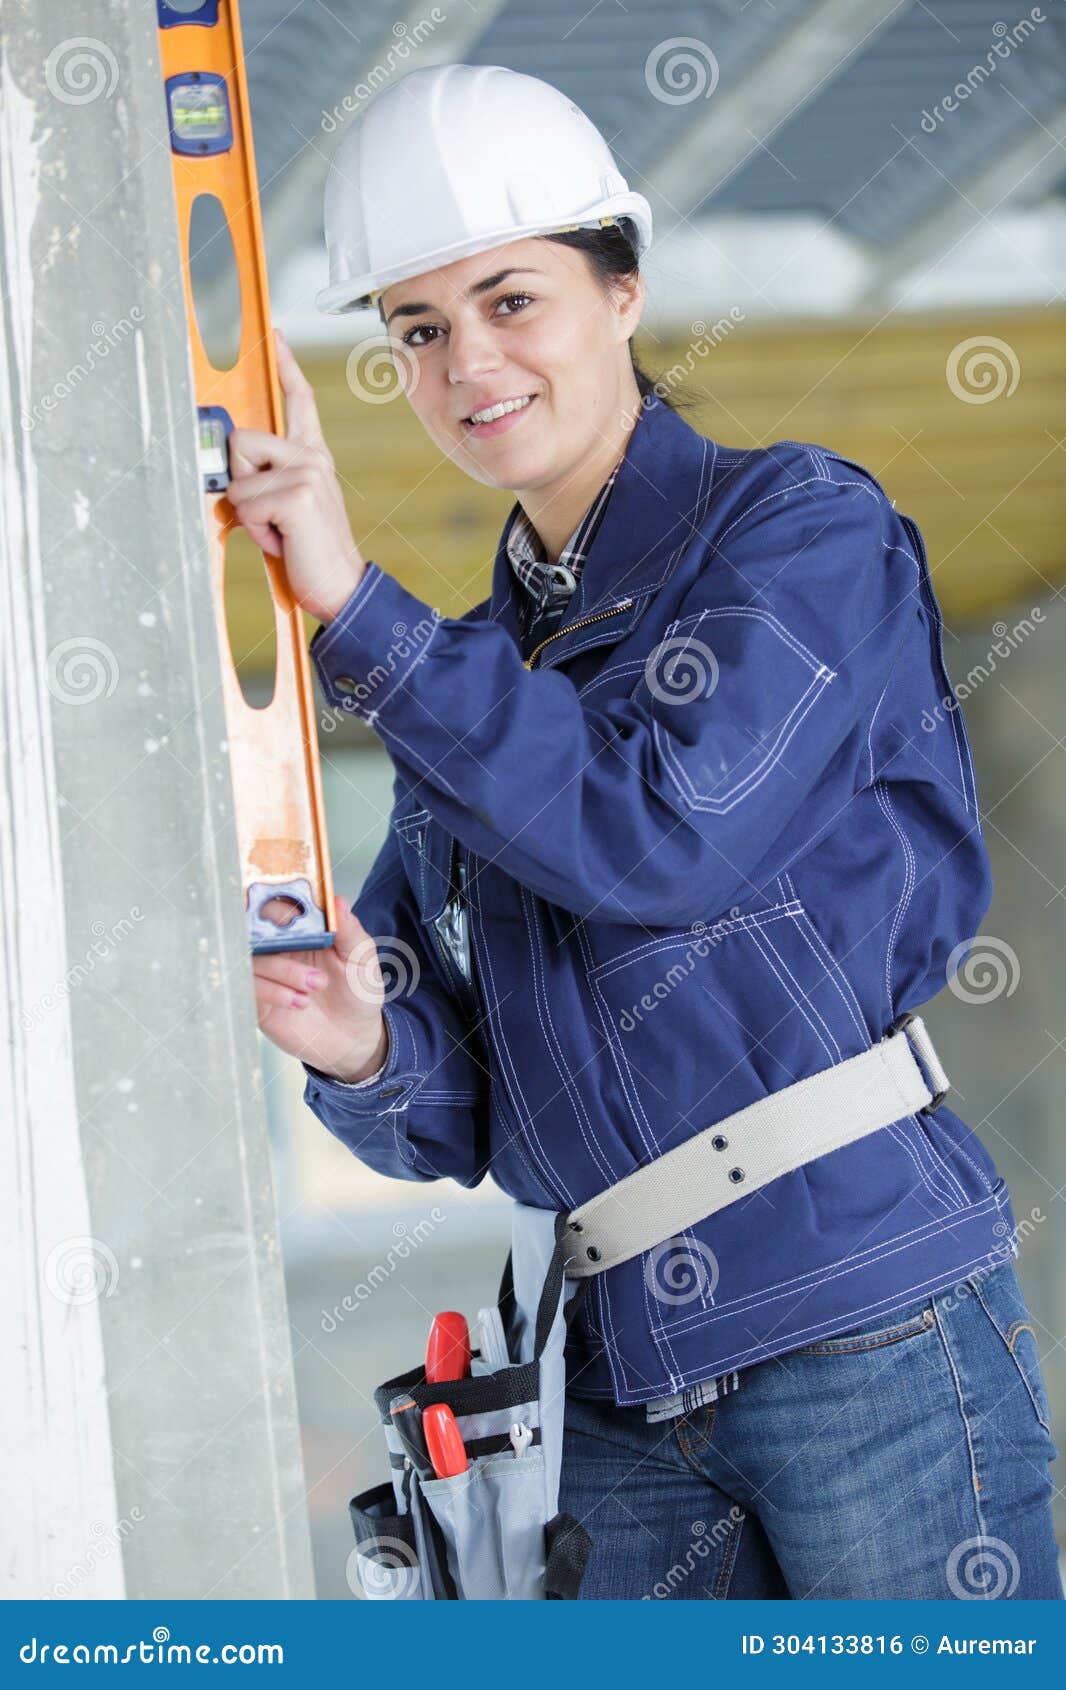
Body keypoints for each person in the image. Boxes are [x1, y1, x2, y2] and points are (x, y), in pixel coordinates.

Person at [232, 63, 1062, 1599]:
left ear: (623, 287)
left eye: (508, 299)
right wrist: (360, 1040)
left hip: (854, 1313)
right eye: (418, 329)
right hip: (608, 1370)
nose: (464, 359)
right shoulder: (473, 675)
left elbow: (667, 832)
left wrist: (358, 610)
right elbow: (457, 1112)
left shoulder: (798, 531)